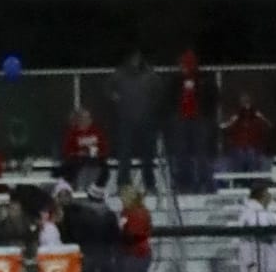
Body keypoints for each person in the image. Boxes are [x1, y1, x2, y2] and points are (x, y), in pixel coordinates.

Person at [106, 50, 159, 192]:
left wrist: (152, 108)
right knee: (125, 154)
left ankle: (150, 184)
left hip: (145, 120)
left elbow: (158, 93)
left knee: (147, 155)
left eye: (138, 58)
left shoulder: (149, 74)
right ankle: (123, 184)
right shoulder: (120, 74)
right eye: (133, 58)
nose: (135, 61)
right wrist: (114, 97)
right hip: (126, 120)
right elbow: (108, 89)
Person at [165, 50, 214, 193]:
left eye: (184, 64)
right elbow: (169, 99)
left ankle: (204, 183)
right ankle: (184, 183)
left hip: (198, 119)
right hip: (181, 120)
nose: (182, 67)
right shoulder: (176, 81)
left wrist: (206, 114)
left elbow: (211, 98)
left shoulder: (202, 79)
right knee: (182, 154)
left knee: (201, 154)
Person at [219, 91, 273, 174]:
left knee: (252, 154)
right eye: (244, 101)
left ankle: (254, 180)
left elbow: (268, 125)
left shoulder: (257, 116)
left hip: (254, 148)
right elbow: (225, 127)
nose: (246, 103)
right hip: (238, 148)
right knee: (239, 154)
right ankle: (239, 181)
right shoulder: (235, 116)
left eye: (248, 100)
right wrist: (231, 120)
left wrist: (262, 117)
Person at [59, 106, 110, 190]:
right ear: (78, 119)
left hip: (95, 158)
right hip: (78, 159)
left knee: (105, 169)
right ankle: (74, 189)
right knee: (72, 166)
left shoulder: (97, 131)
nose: (86, 120)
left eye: (88, 117)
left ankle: (97, 190)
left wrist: (98, 152)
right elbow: (66, 150)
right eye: (83, 117)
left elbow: (105, 148)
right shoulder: (72, 133)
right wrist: (78, 152)